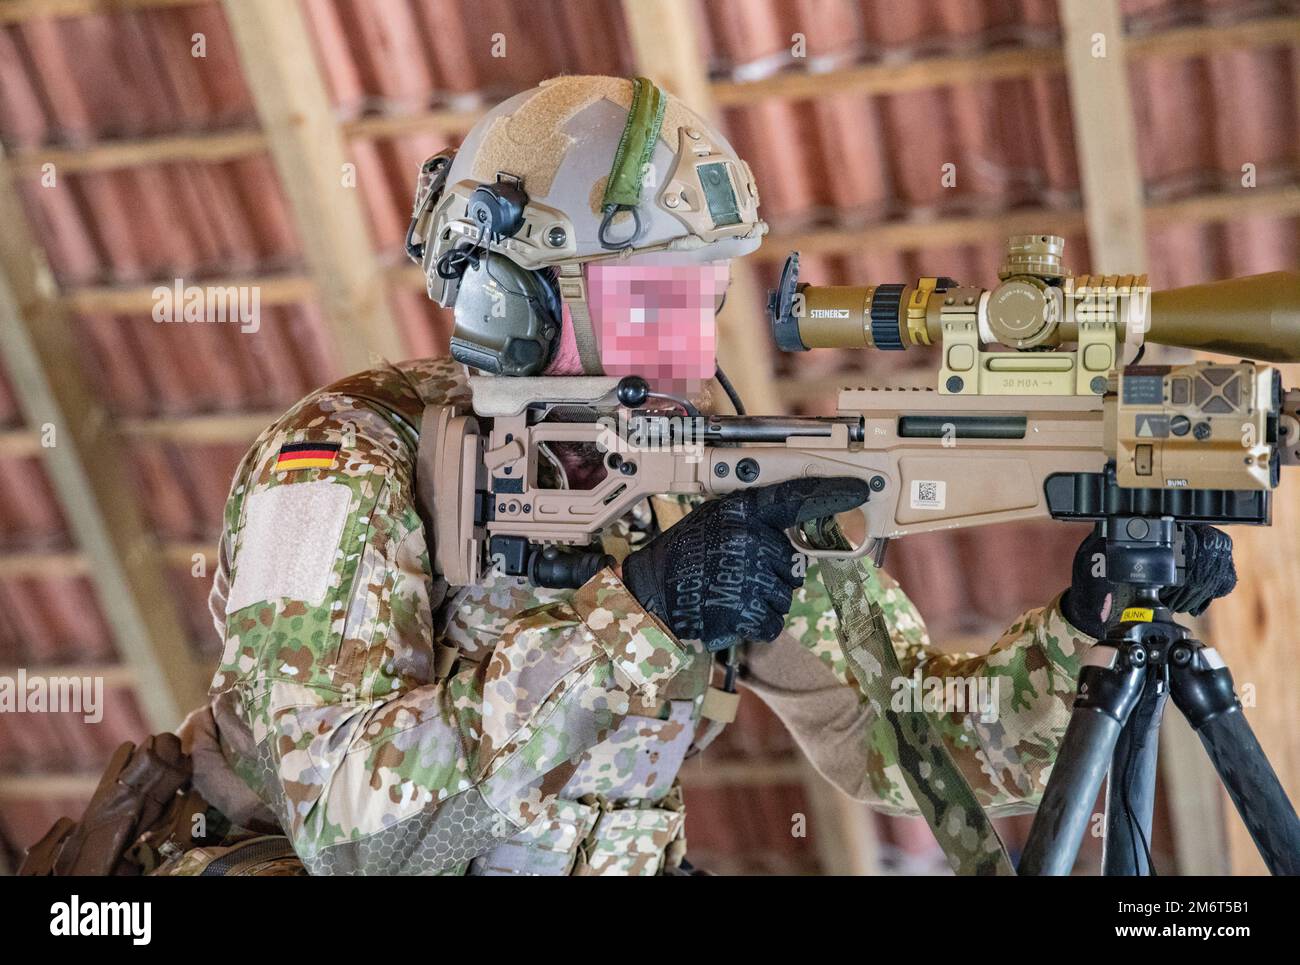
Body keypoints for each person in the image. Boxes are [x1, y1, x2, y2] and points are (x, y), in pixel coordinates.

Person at [201, 75, 1235, 875]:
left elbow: (921, 741)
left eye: (704, 301)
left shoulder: (693, 462)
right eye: (656, 300)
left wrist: (1086, 627)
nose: (692, 347)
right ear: (513, 300)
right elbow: (350, 831)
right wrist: (636, 617)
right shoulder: (339, 463)